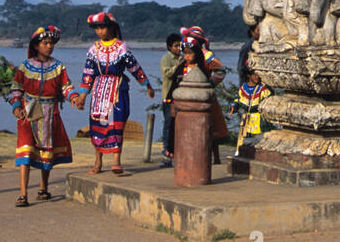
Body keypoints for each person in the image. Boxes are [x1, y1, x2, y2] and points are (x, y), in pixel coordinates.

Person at [8, 26, 84, 207]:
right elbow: (16, 88)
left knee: (46, 151)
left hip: (50, 112)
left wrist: (74, 98)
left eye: (51, 43)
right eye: (45, 43)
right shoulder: (25, 67)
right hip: (29, 112)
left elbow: (66, 86)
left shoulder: (58, 67)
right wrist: (17, 106)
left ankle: (43, 187)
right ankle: (23, 193)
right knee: (26, 151)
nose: (49, 46)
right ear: (36, 46)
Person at [78, 11, 153, 176]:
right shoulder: (93, 49)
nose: (100, 31)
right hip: (99, 90)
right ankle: (98, 162)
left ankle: (116, 161)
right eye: (97, 28)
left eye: (103, 27)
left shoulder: (121, 48)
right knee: (97, 123)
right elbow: (88, 73)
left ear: (111, 28)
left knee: (117, 123)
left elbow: (134, 67)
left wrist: (146, 84)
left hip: (117, 88)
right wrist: (83, 94)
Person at [180, 26, 228, 166]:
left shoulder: (206, 54)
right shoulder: (187, 53)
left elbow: (220, 71)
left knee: (211, 127)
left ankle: (215, 158)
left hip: (204, 94)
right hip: (188, 94)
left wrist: (209, 84)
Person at [231, 65, 273, 145]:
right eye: (254, 75)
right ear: (248, 75)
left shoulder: (263, 89)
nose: (257, 77)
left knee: (260, 141)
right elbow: (239, 99)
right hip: (246, 120)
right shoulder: (243, 88)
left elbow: (270, 100)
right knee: (244, 140)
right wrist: (234, 105)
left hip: (259, 120)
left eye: (258, 75)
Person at [158, 32, 182, 167]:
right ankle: (166, 155)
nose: (179, 48)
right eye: (176, 46)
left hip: (180, 98)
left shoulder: (183, 58)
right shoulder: (166, 59)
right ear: (169, 47)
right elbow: (168, 73)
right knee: (168, 126)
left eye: (180, 45)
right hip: (168, 98)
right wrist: (178, 66)